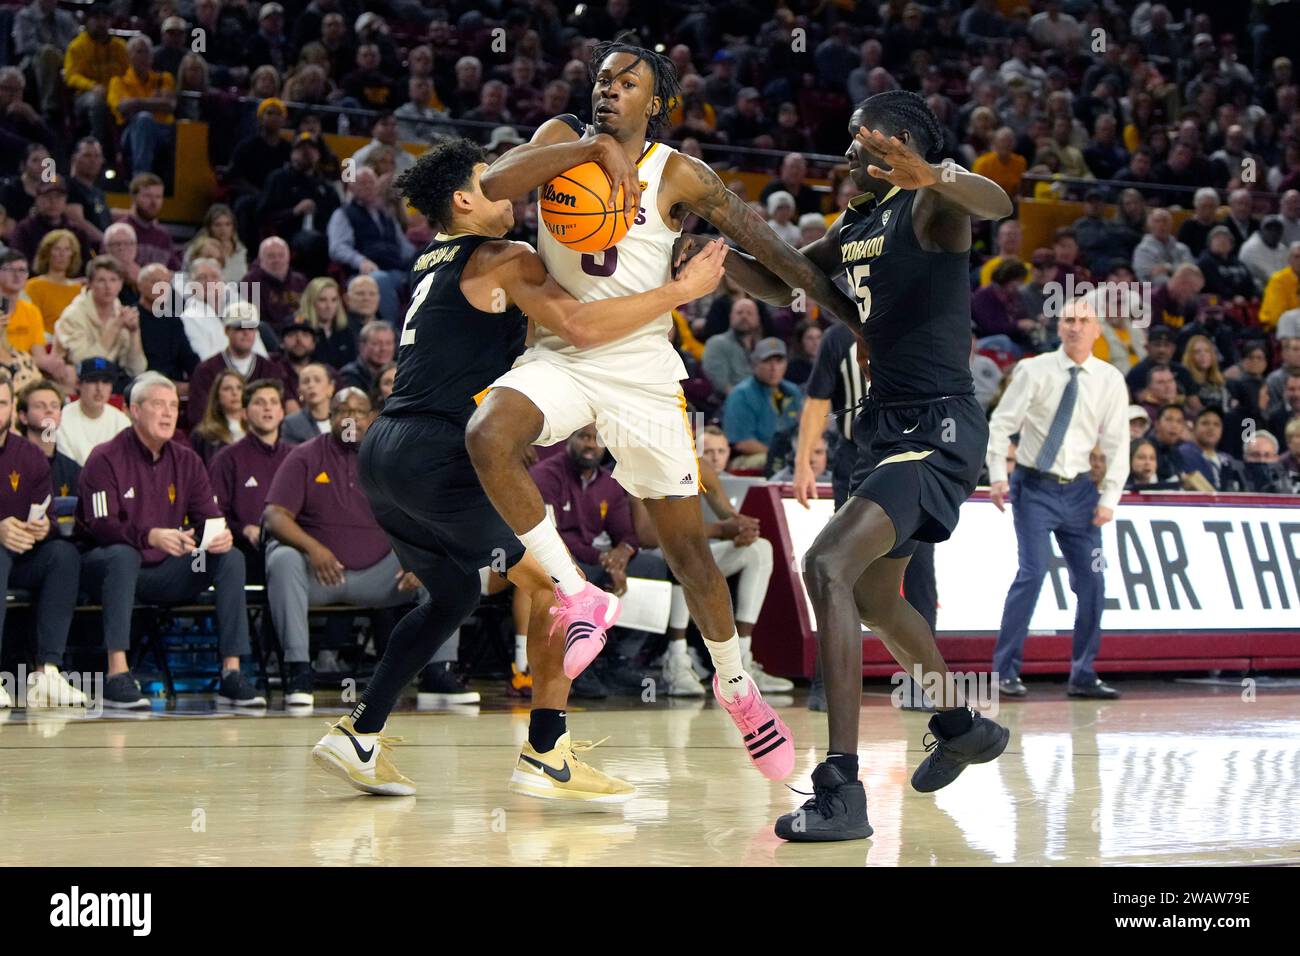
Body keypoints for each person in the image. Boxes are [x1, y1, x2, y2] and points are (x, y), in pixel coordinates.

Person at [468, 38, 860, 792]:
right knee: (489, 433)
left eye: (628, 82)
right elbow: (494, 181)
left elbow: (769, 251)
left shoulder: (679, 174)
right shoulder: (559, 142)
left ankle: (736, 686)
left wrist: (853, 322)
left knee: (690, 553)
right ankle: (578, 591)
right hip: (560, 352)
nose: (609, 89)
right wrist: (586, 146)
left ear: (658, 101)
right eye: (602, 79)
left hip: (644, 372)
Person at [312, 137, 726, 800]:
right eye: (489, 179)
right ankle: (545, 751)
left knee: (453, 595)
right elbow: (582, 327)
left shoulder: (430, 262)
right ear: (465, 200)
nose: (507, 186)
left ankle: (359, 734)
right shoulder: (503, 256)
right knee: (555, 585)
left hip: (387, 455)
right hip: (439, 453)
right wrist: (679, 290)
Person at [697, 89, 1014, 840]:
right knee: (873, 597)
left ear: (898, 148)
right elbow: (785, 281)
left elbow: (996, 200)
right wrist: (717, 256)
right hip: (878, 429)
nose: (847, 156)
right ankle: (960, 722)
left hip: (935, 426)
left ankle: (840, 787)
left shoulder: (932, 207)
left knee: (827, 566)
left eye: (861, 143)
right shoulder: (859, 222)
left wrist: (932, 171)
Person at [78, 372, 261, 710]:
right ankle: (117, 674)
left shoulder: (187, 459)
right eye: (158, 405)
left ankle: (232, 673)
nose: (167, 413)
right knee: (121, 554)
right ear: (134, 410)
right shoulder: (104, 457)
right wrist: (149, 536)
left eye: (174, 406)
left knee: (230, 557)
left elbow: (209, 516)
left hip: (167, 570)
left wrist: (215, 537)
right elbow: (99, 526)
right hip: (106, 570)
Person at [988, 297, 1129, 703]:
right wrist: (998, 475)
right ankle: (1004, 671)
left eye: (1084, 320)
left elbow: (1119, 443)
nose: (1075, 327)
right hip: (1034, 486)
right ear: (1059, 326)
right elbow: (1001, 424)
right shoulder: (1034, 370)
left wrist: (1110, 497)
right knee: (1032, 572)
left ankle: (1083, 673)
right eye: (1068, 319)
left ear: (1097, 330)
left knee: (1093, 581)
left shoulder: (1109, 379)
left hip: (1082, 490)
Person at [263, 388, 421, 708]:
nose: (350, 418)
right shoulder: (304, 455)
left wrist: (418, 557)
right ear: (330, 418)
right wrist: (313, 548)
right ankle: (298, 671)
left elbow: (420, 518)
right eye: (341, 412)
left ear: (374, 417)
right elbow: (274, 517)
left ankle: (438, 672)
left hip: (380, 577)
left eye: (359, 412)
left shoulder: (390, 459)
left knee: (442, 564)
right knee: (281, 557)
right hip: (319, 577)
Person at [0, 370, 85, 709]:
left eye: (2, 402)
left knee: (63, 555)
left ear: (11, 410)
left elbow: (48, 514)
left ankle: (46, 672)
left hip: (22, 555)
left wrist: (42, 529)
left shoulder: (31, 456)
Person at [187, 301, 297, 428]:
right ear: (227, 331)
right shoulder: (206, 370)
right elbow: (198, 416)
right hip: (219, 438)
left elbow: (280, 413)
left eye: (251, 328)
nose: (246, 333)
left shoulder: (271, 370)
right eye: (240, 328)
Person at [54, 256, 147, 382]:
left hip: (113, 378)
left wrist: (134, 333)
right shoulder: (73, 315)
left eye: (113, 280)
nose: (108, 286)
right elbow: (86, 363)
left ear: (120, 284)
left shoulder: (122, 313)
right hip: (79, 380)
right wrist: (114, 327)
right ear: (90, 284)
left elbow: (136, 370)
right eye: (101, 280)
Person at [721, 337, 803, 470]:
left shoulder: (793, 391)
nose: (774, 368)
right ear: (754, 363)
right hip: (750, 457)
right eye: (767, 361)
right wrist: (778, 455)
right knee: (773, 463)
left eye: (779, 361)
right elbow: (743, 443)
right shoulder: (741, 394)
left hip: (790, 455)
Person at [107, 35, 176, 177]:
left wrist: (136, 103)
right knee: (144, 119)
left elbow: (169, 105)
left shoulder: (164, 78)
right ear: (129, 56)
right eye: (139, 52)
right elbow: (122, 107)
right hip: (131, 131)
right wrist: (154, 102)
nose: (144, 57)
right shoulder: (118, 81)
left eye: (148, 52)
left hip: (164, 131)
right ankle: (141, 178)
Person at [54, 358, 130, 465]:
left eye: (105, 382)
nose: (99, 388)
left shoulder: (121, 421)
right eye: (93, 381)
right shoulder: (61, 417)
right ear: (78, 384)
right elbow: (65, 465)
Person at [17, 379, 82, 502]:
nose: (49, 410)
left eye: (54, 406)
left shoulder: (73, 470)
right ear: (23, 416)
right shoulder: (7, 463)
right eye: (39, 406)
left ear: (60, 415)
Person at [25, 229, 86, 337]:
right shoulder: (34, 286)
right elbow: (30, 323)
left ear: (72, 254)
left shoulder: (79, 289)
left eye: (67, 249)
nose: (62, 254)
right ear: (47, 253)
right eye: (57, 249)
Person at [189, 367, 245, 464]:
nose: (235, 393)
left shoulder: (256, 431)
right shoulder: (204, 434)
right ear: (217, 396)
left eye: (239, 388)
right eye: (227, 388)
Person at [282, 362, 333, 444]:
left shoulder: (346, 419)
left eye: (317, 380)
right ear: (299, 392)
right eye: (306, 381)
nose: (311, 385)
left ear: (330, 388)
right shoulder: (291, 424)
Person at [337, 319, 394, 393]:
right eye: (376, 343)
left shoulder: (399, 373)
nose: (384, 348)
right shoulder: (350, 375)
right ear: (362, 346)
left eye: (388, 343)